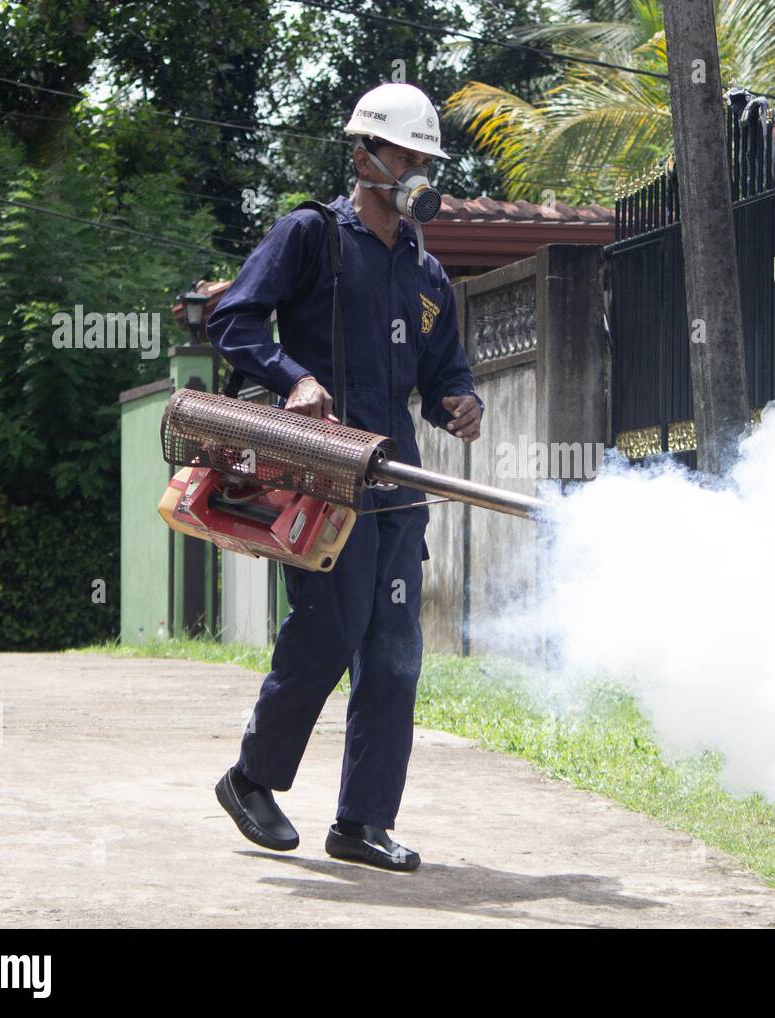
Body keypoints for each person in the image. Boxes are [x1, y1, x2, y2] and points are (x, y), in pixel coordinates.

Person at [207, 82, 483, 872]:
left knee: (394, 656)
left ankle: (362, 822)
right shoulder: (310, 236)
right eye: (405, 156)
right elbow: (234, 320)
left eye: (427, 160)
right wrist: (293, 376)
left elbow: (445, 377)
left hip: (396, 489)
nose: (417, 171)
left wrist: (461, 404)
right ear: (364, 155)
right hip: (320, 479)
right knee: (327, 633)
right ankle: (252, 779)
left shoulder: (428, 275)